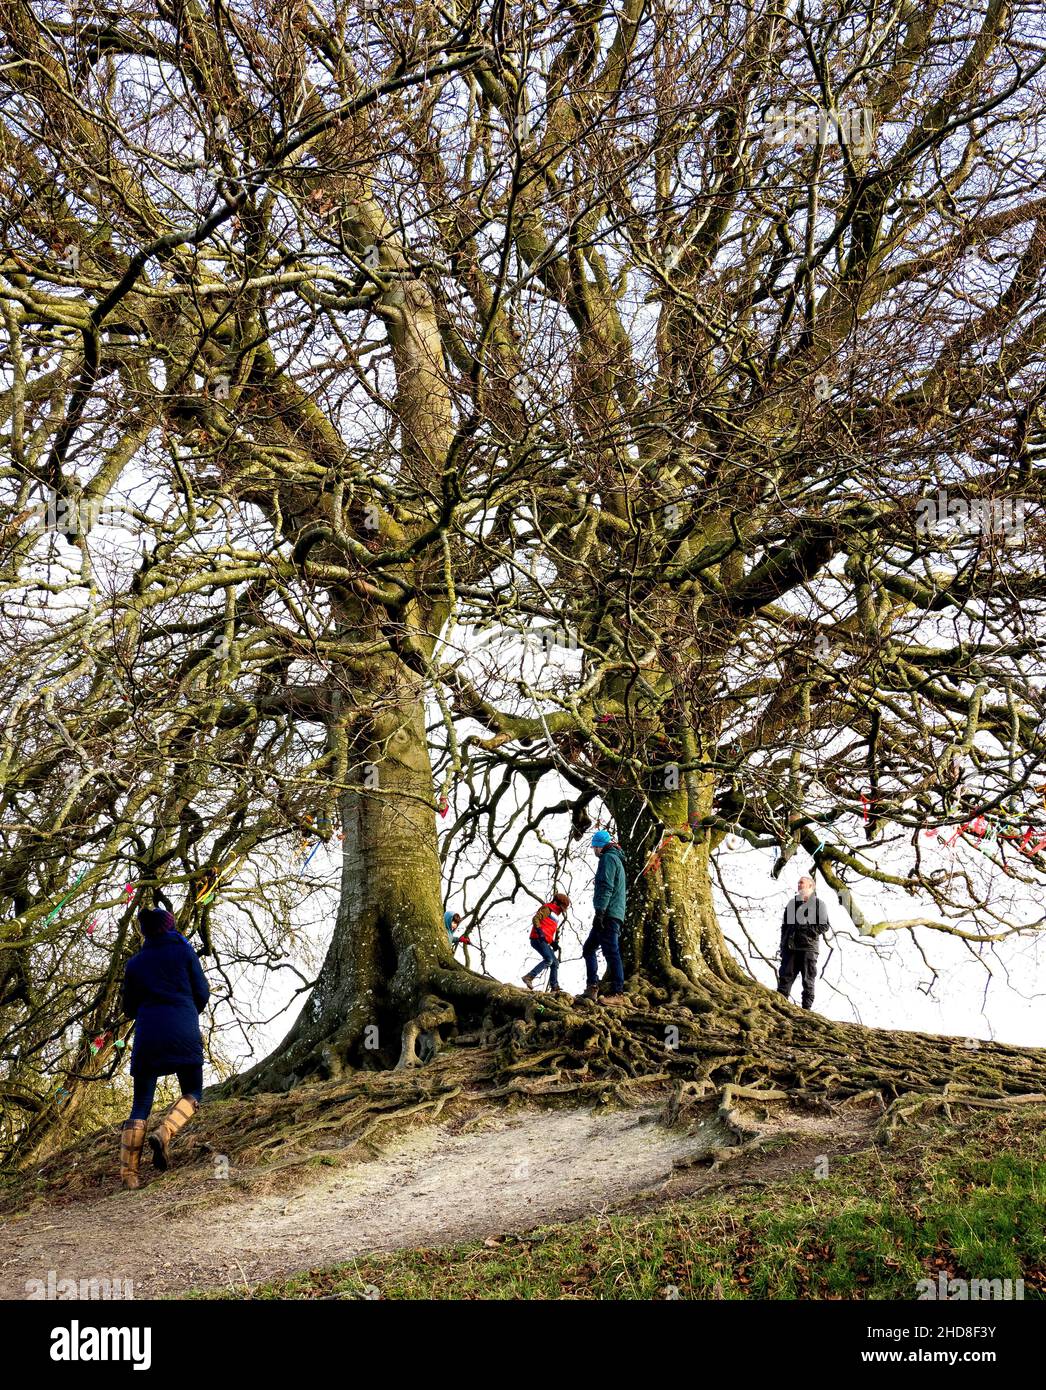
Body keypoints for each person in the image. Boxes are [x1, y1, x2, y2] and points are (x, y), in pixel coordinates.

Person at [119, 906, 210, 1189]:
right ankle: (166, 1131)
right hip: (183, 1029)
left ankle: (129, 1176)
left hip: (149, 1036)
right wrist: (187, 1009)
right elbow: (203, 991)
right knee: (193, 1091)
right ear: (170, 926)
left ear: (144, 932)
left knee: (140, 1105)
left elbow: (128, 1008)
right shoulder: (184, 952)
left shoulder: (134, 964)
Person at [581, 829, 627, 1004]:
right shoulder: (618, 860)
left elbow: (606, 886)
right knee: (589, 948)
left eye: (594, 847)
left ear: (600, 846)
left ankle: (618, 993)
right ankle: (592, 987)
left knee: (611, 951)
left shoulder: (608, 859)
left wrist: (600, 912)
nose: (594, 851)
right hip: (613, 912)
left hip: (608, 914)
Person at [777, 874, 830, 1010]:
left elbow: (824, 926)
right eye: (798, 883)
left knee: (808, 981)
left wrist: (807, 930)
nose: (799, 885)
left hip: (808, 949)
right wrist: (782, 946)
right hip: (790, 949)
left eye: (801, 883)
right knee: (784, 979)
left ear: (810, 886)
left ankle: (807, 1011)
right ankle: (779, 1007)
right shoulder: (792, 904)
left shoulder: (819, 904)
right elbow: (785, 927)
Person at [522, 892, 570, 993]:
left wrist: (553, 943)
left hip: (544, 940)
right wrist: (539, 932)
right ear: (556, 902)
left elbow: (547, 931)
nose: (561, 911)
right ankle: (529, 977)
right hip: (537, 938)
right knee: (549, 960)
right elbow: (536, 919)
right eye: (561, 908)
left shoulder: (555, 916)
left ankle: (554, 987)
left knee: (555, 963)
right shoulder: (548, 909)